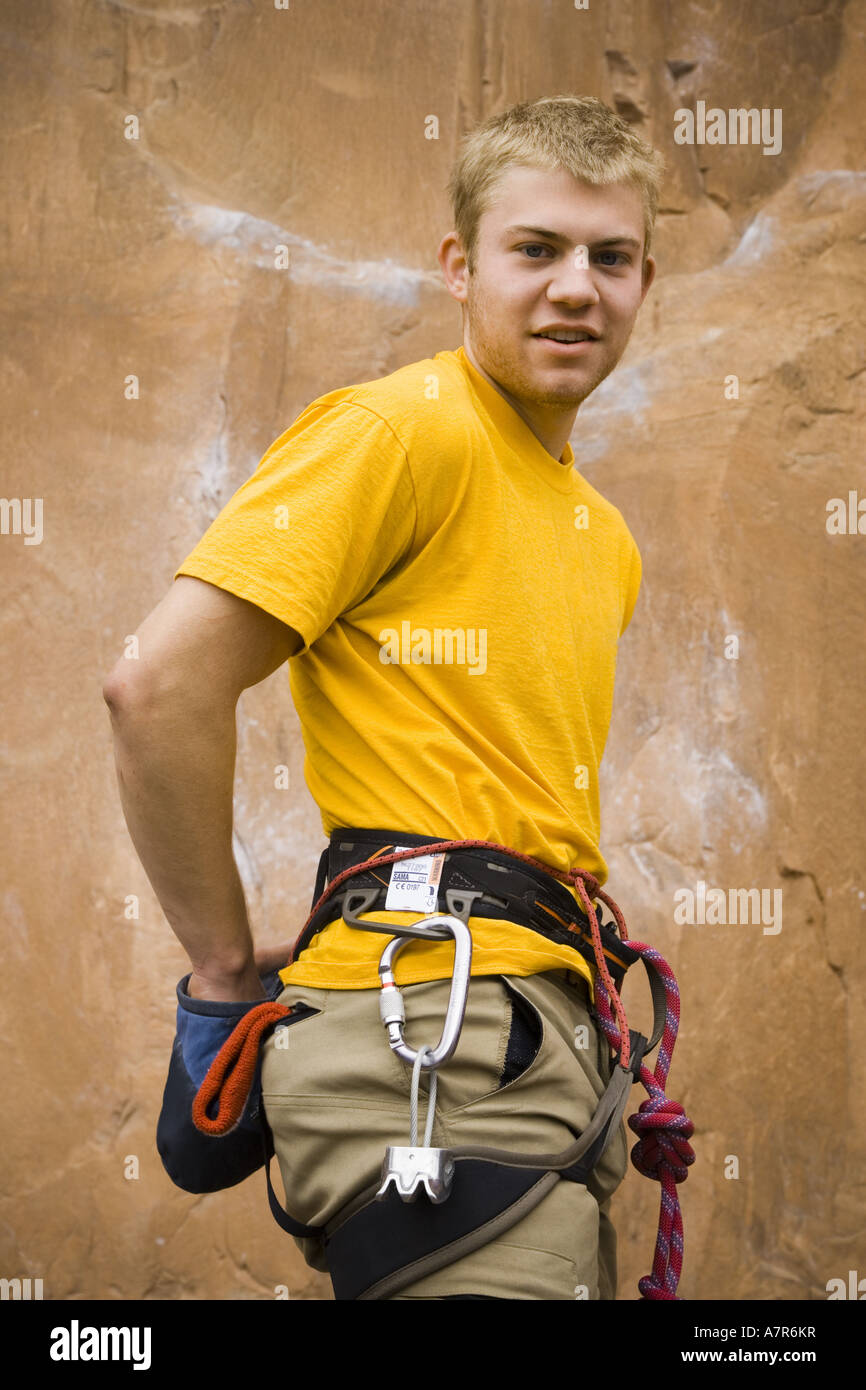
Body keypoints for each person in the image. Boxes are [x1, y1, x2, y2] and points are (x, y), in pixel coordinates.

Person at [103, 94, 664, 1300]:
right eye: (536, 250)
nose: (576, 286)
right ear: (459, 267)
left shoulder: (602, 536)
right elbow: (157, 684)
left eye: (607, 256)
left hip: (542, 1039)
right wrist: (217, 972)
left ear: (642, 278)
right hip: (439, 1036)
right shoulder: (399, 433)